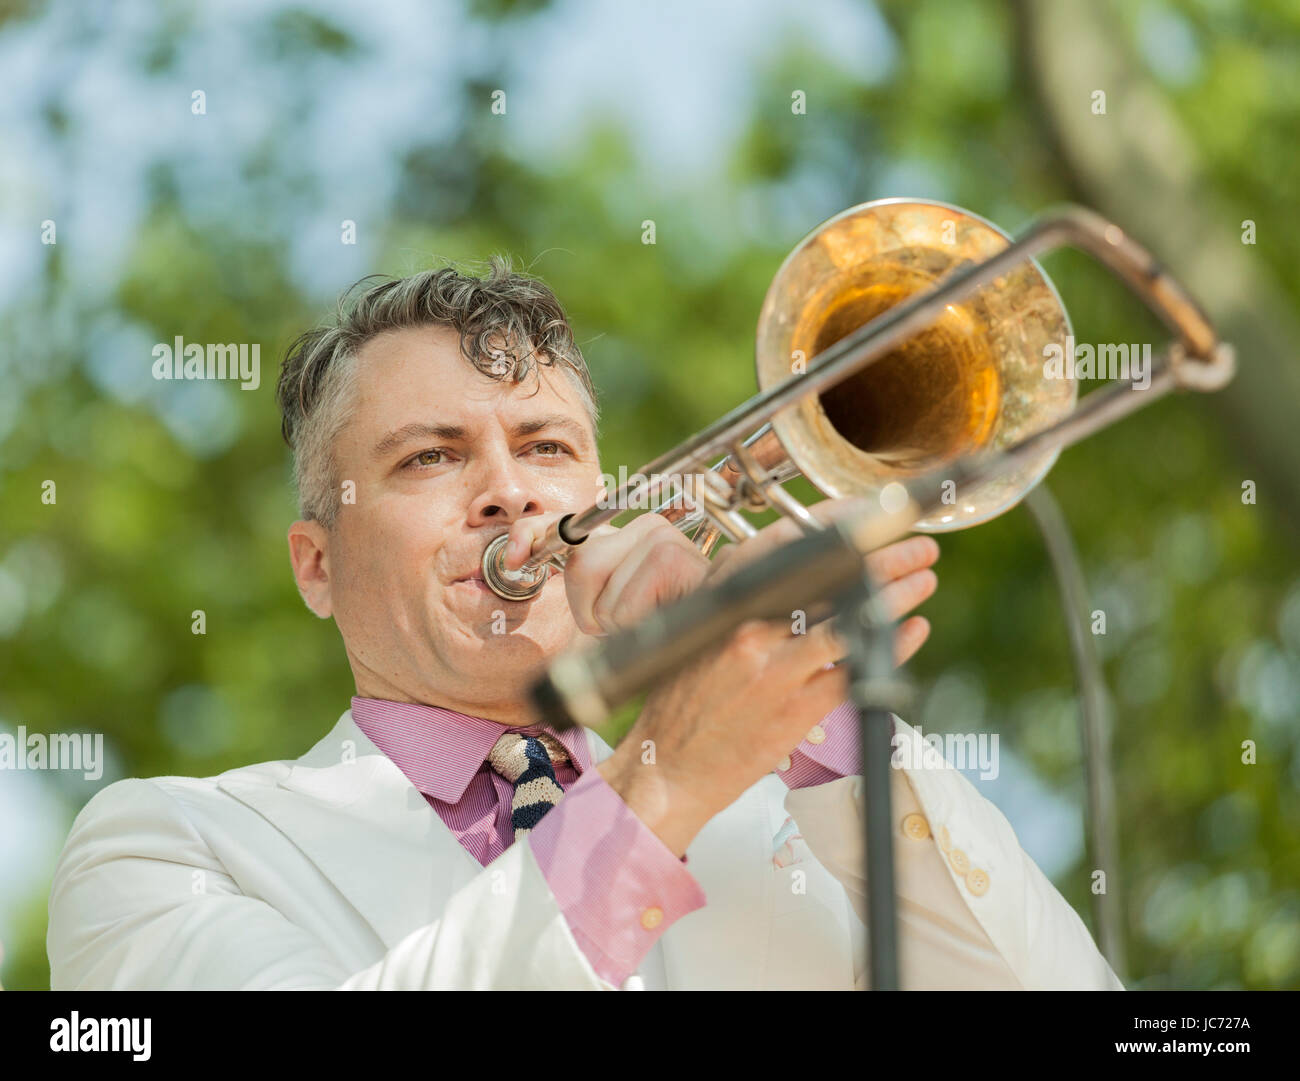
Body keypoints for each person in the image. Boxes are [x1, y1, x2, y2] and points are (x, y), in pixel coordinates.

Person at [47, 259, 1123, 990]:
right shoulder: (171, 846)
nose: (509, 494)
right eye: (430, 456)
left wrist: (814, 718)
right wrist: (661, 777)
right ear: (316, 565)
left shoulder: (790, 818)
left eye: (548, 449)